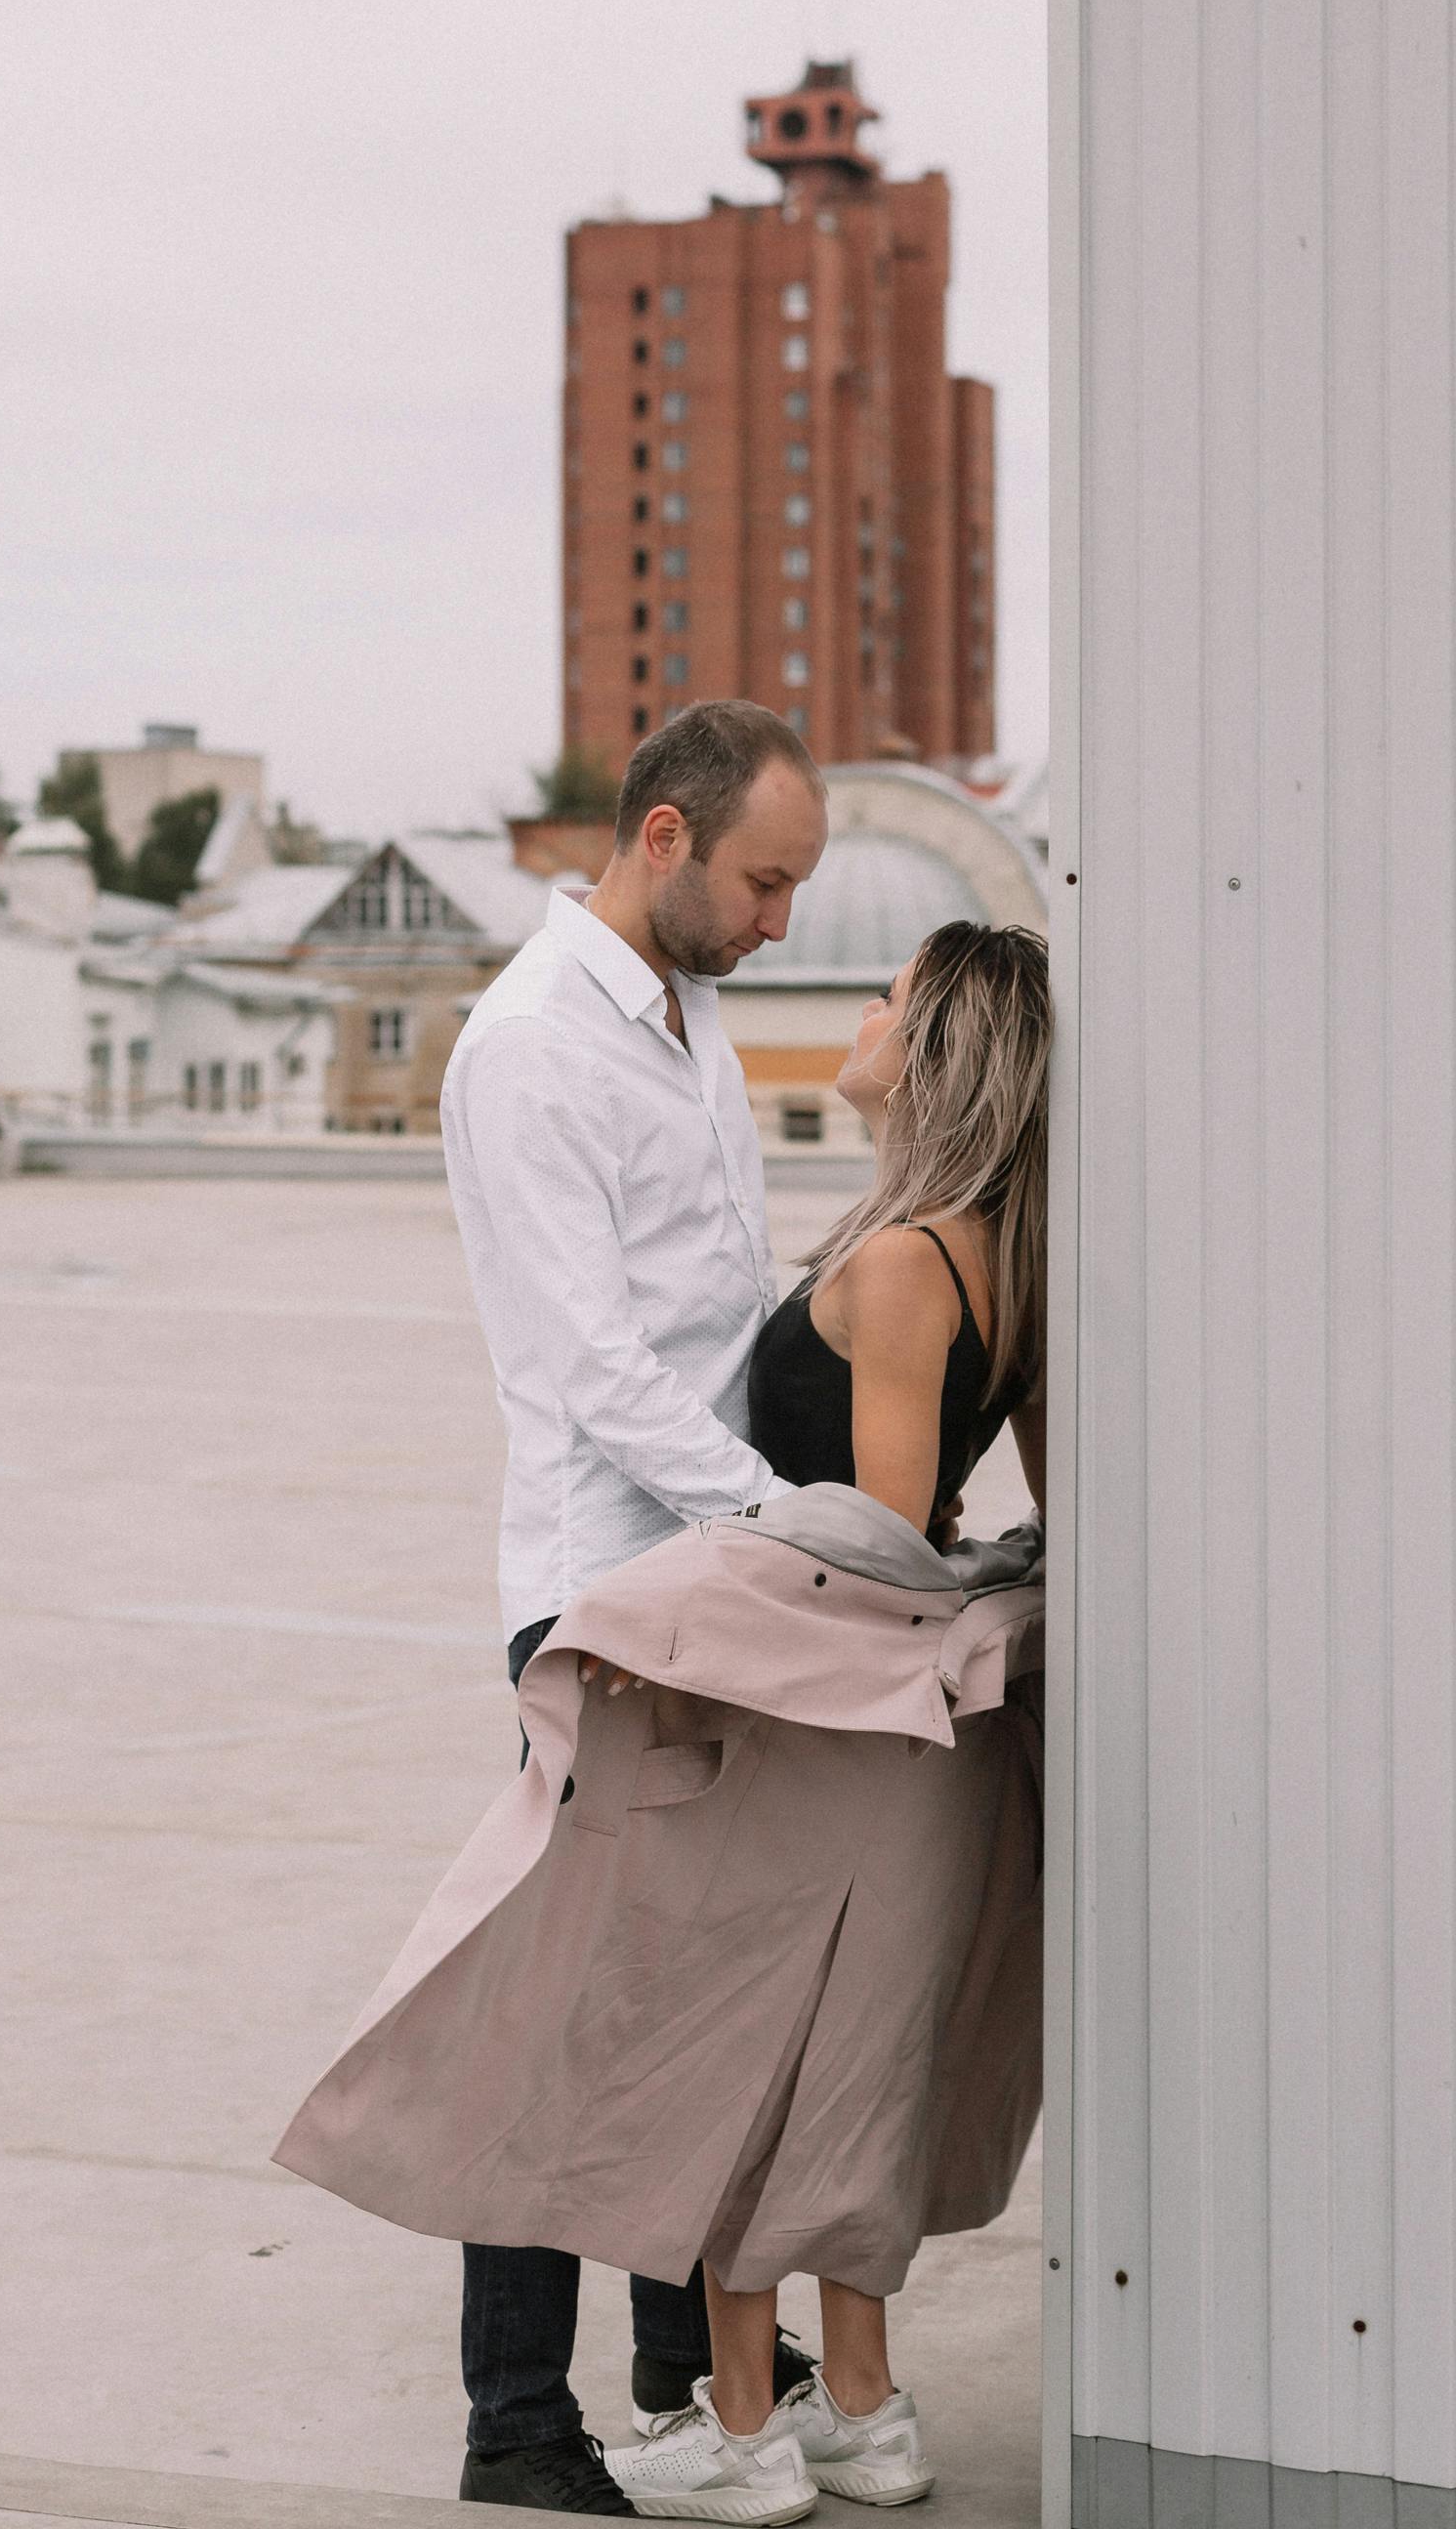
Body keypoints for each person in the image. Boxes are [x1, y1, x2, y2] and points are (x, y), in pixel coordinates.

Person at [601, 915, 1048, 2520]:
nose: (855, 1017)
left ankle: (739, 2434)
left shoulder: (898, 1264)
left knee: (744, 2058)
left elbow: (870, 1537)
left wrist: (672, 1621)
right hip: (901, 1737)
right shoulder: (1006, 1255)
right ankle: (859, 2407)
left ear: (931, 1056)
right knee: (850, 2073)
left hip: (818, 1719)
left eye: (882, 1001)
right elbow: (1039, 1520)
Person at [437, 699, 830, 2514]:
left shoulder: (694, 1011)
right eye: (761, 881)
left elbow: (719, 1303)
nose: (777, 922)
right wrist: (786, 1524)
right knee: (567, 2018)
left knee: (695, 1998)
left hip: (707, 1576)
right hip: (603, 1595)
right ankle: (517, 2423)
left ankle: (687, 2361)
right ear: (662, 837)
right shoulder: (528, 1048)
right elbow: (597, 1365)